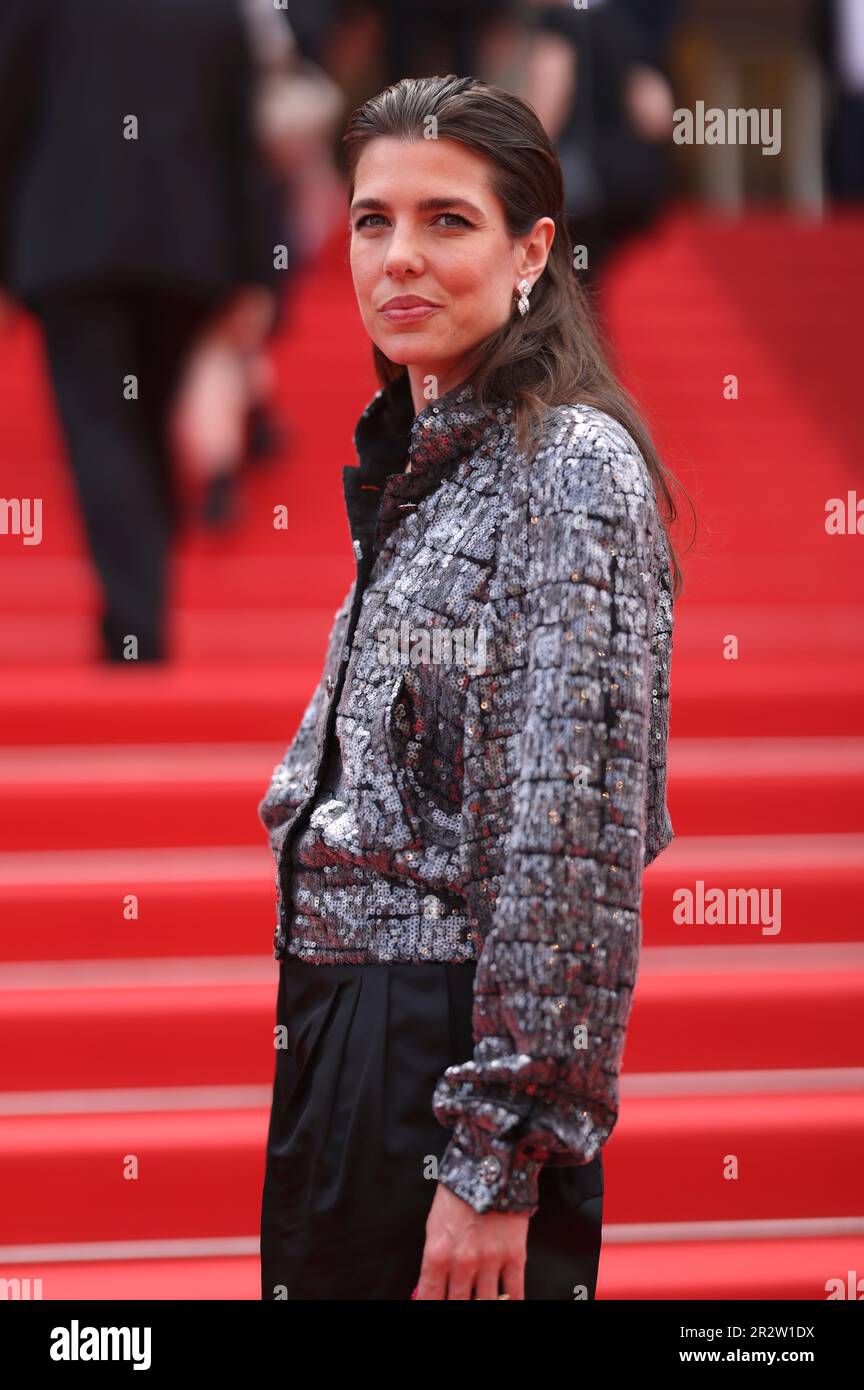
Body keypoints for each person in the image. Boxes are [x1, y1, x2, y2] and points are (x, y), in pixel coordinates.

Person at [258, 73, 685, 1301]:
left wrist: (502, 1151)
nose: (399, 257)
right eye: (371, 219)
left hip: (438, 1064)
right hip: (345, 1045)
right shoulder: (427, 462)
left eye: (447, 220)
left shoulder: (572, 471)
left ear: (531, 251)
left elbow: (566, 844)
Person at [0, 0, 281, 661]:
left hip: (74, 243)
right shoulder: (213, 13)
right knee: (143, 422)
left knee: (101, 426)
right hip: (184, 247)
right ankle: (136, 606)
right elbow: (244, 140)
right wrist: (257, 266)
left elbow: (8, 122)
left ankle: (133, 616)